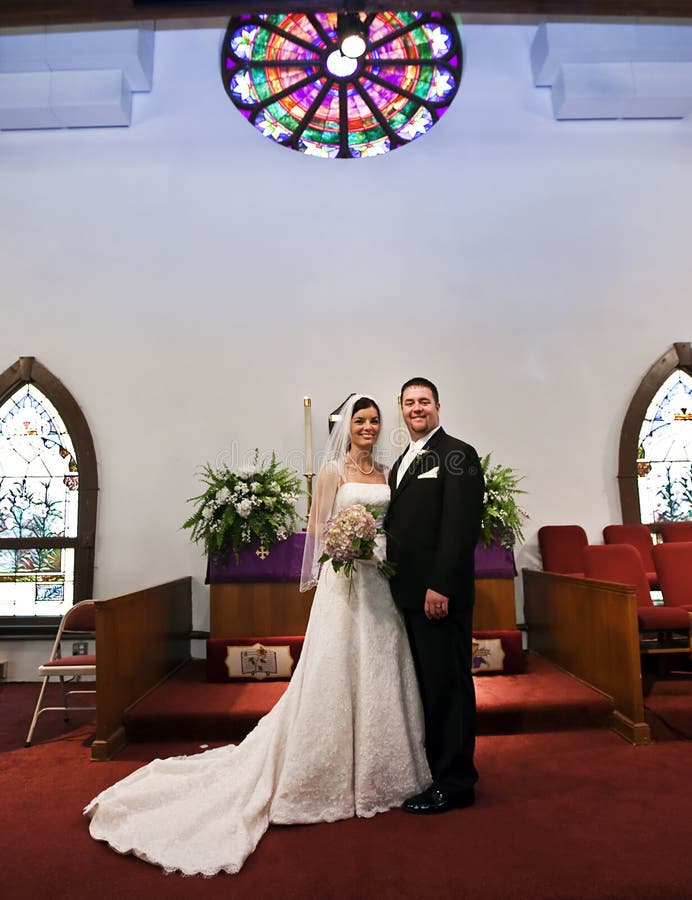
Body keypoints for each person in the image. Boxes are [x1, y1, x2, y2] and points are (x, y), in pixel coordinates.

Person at [84, 394, 430, 876]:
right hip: (345, 586)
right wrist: (346, 546)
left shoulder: (388, 473)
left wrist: (378, 548)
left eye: (374, 421)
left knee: (381, 666)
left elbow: (398, 526)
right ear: (346, 426)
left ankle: (383, 772)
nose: (368, 427)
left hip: (381, 585)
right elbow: (319, 531)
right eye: (360, 420)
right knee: (335, 671)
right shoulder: (332, 473)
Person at [385, 377, 484, 814]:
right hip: (407, 594)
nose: (416, 408)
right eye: (409, 402)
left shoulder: (457, 454)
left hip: (437, 595)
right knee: (428, 686)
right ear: (401, 409)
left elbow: (460, 528)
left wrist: (440, 585)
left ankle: (456, 783)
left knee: (448, 688)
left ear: (438, 405)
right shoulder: (401, 461)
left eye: (423, 401)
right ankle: (439, 772)